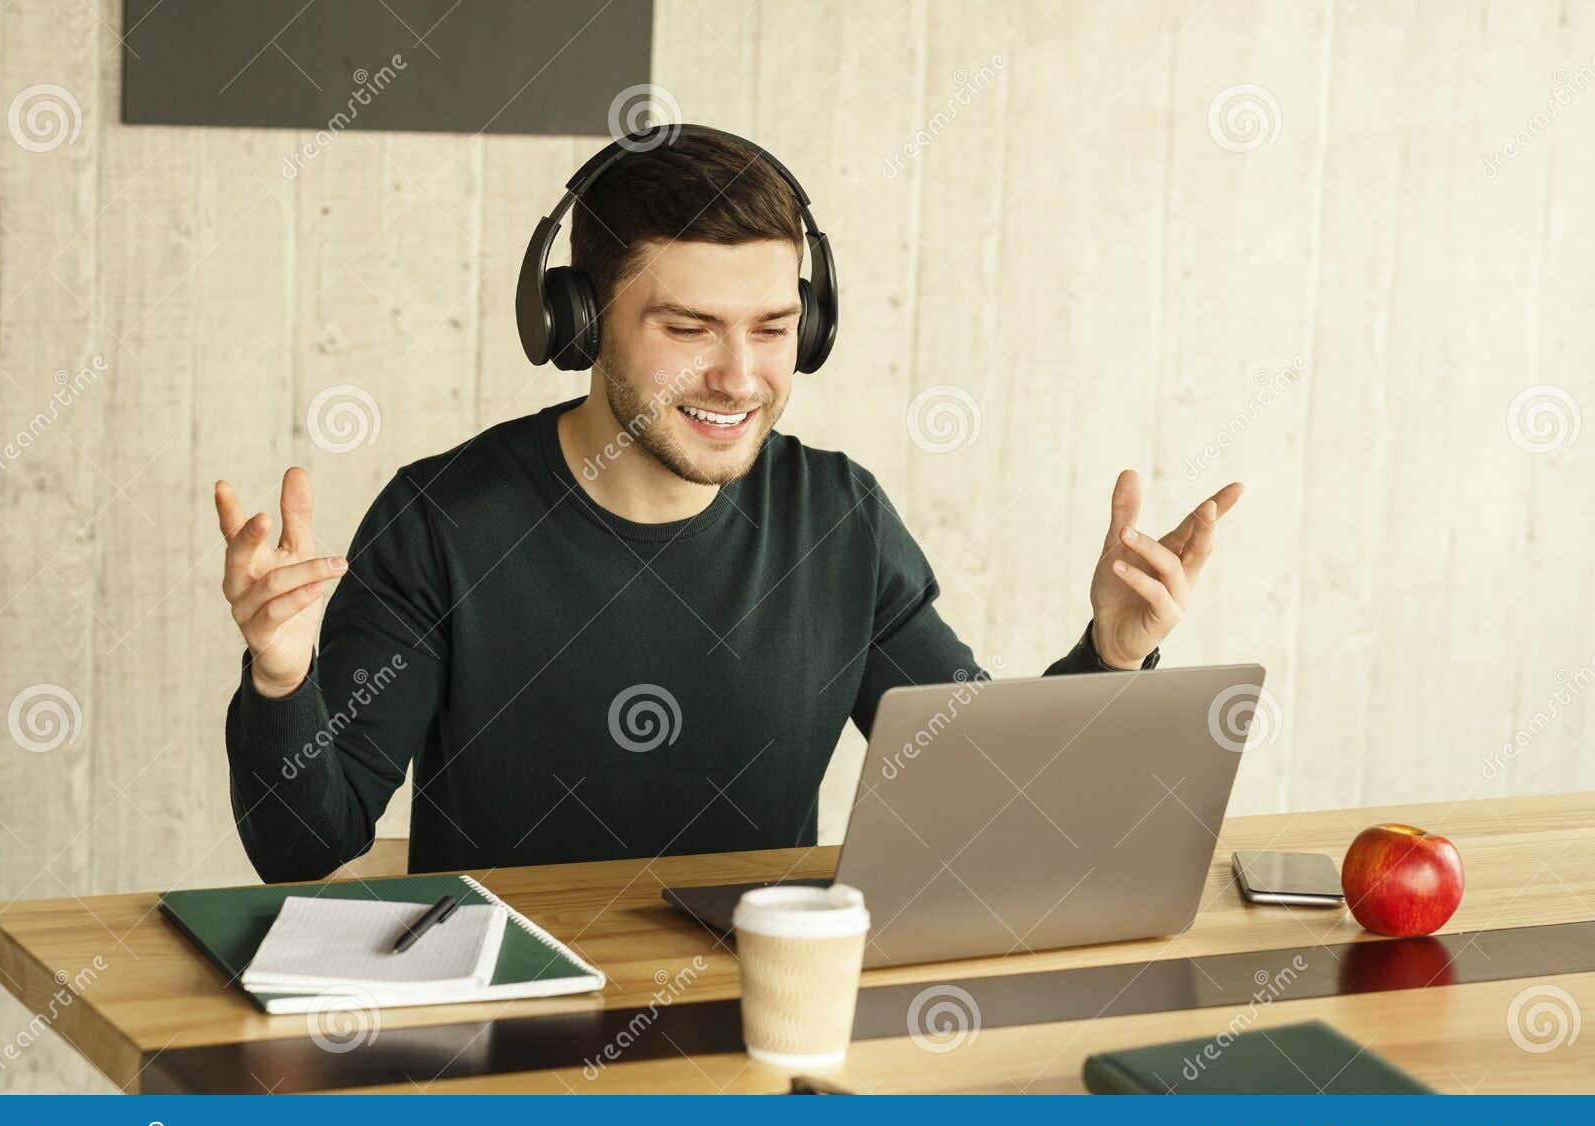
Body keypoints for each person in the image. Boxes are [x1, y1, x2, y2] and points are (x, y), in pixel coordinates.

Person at [214, 127, 1241, 884]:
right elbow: (303, 847)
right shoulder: (445, 519)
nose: (739, 377)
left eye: (773, 327)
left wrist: (1109, 654)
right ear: (579, 324)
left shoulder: (835, 517)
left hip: (758, 1019)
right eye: (689, 328)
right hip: (508, 1039)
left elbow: (989, 800)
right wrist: (282, 677)